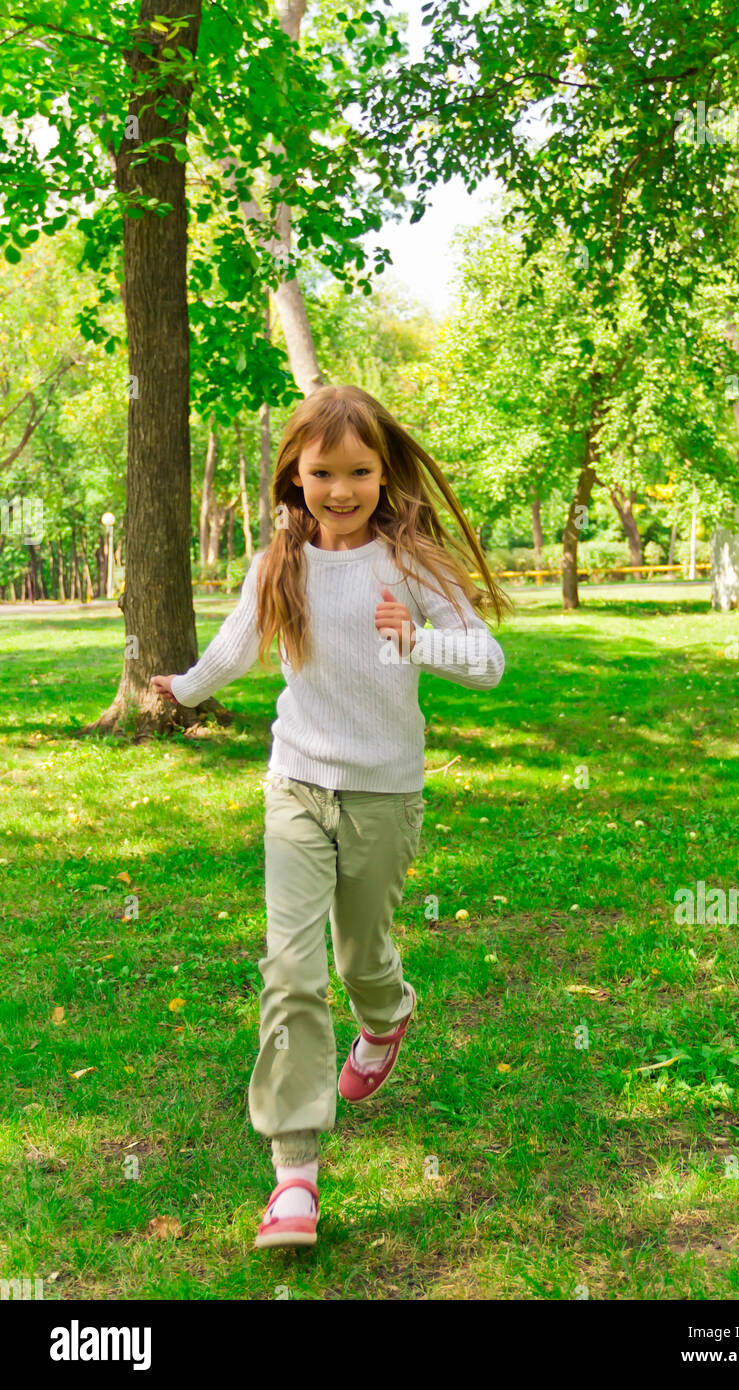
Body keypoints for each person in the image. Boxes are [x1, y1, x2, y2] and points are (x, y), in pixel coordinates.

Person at [151, 384, 512, 1248]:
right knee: (290, 967)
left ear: (384, 474)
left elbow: (489, 661)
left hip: (384, 790)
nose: (340, 490)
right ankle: (295, 1174)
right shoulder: (281, 558)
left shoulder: (410, 562)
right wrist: (185, 689)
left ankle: (386, 1018)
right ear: (295, 474)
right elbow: (241, 638)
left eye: (358, 472)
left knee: (359, 956)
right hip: (298, 785)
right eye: (323, 473)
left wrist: (419, 640)